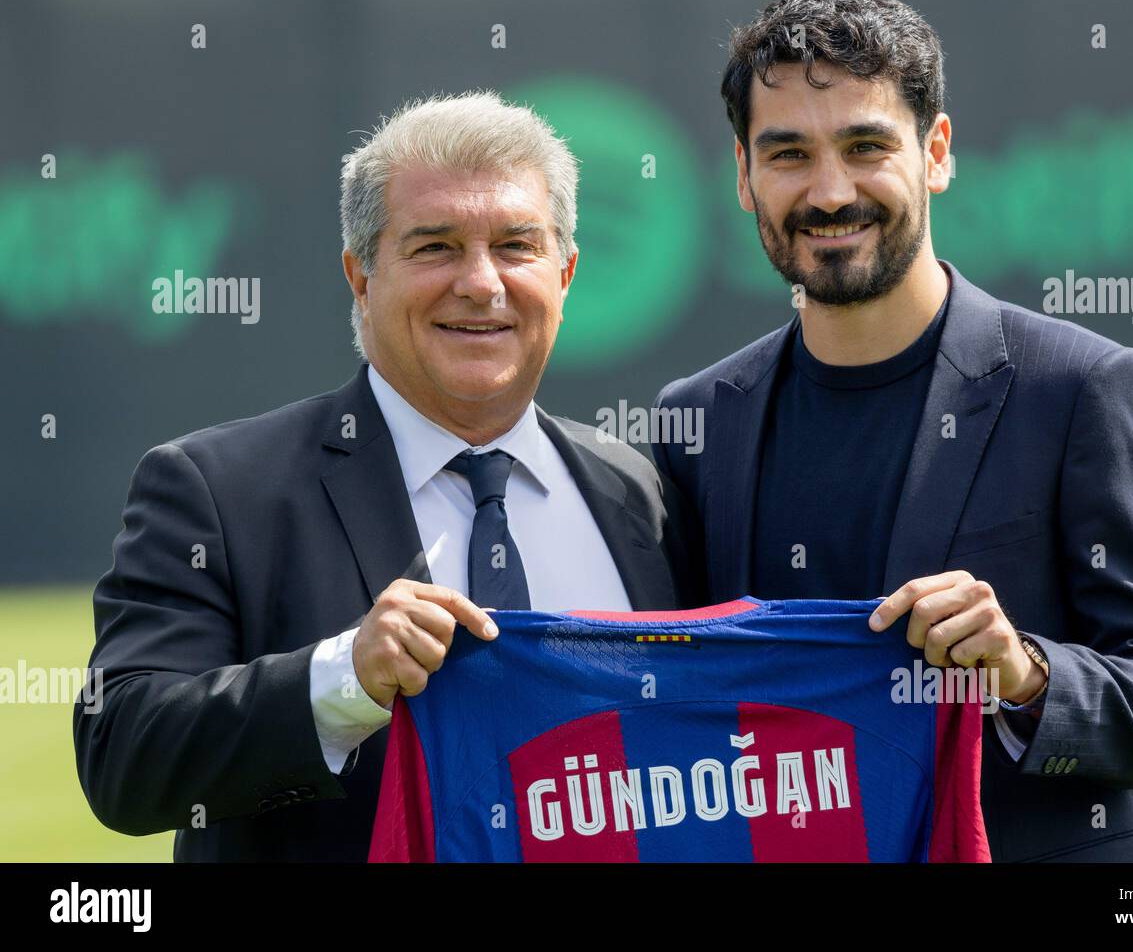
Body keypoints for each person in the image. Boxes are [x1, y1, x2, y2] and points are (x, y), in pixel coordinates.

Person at [653, 0, 1133, 861]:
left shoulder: (1086, 390)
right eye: (789, 155)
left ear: (937, 152)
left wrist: (1025, 671)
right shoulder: (693, 421)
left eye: (865, 146)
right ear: (743, 176)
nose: (830, 191)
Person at [74, 91, 696, 862]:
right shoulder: (215, 489)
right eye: (434, 247)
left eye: (516, 245)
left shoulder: (638, 489)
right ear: (361, 278)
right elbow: (125, 758)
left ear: (565, 274)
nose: (480, 282)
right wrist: (345, 679)